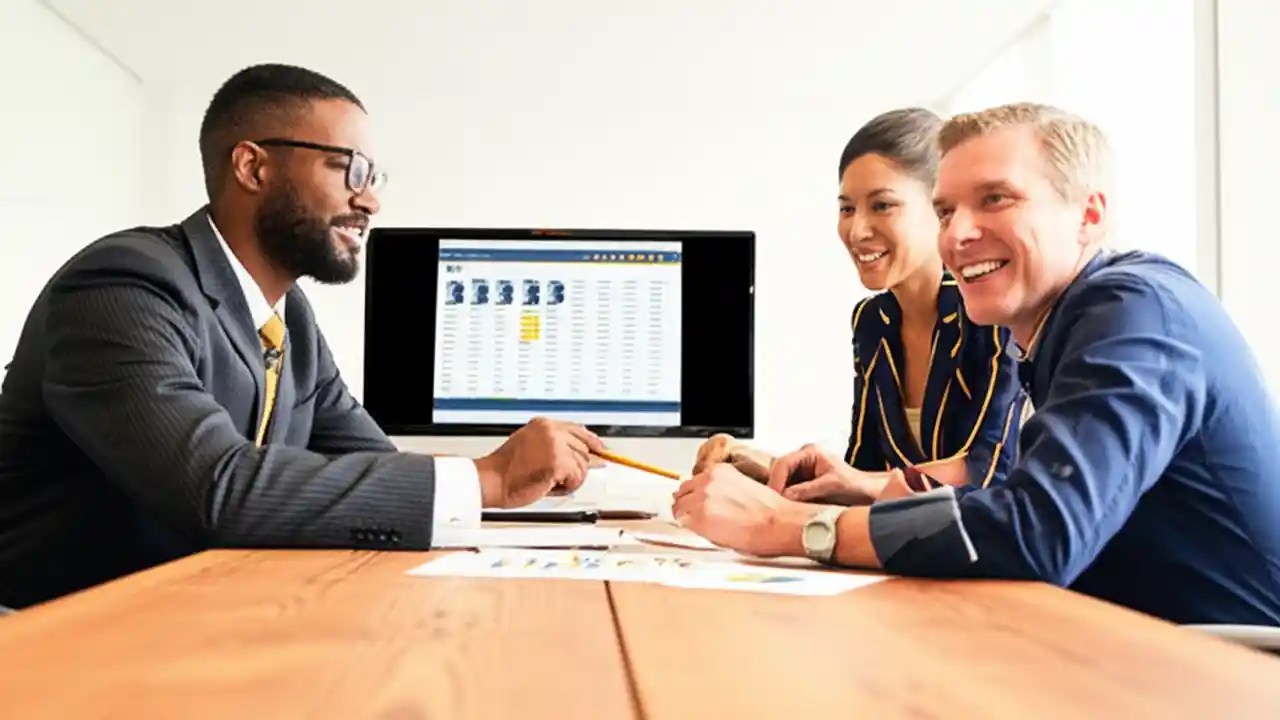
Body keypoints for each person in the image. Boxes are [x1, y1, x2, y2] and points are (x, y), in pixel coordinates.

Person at [0, 63, 602, 609]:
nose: (370, 199)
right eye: (349, 169)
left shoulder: (290, 321)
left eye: (374, 176)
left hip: (196, 615)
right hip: (53, 637)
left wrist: (501, 483)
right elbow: (216, 487)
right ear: (253, 167)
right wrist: (490, 477)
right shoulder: (124, 284)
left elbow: (370, 468)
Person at [673, 102, 1280, 626]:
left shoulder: (1134, 311)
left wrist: (791, 526)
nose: (957, 235)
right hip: (1124, 641)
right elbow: (1015, 498)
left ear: (1089, 215)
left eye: (996, 199)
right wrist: (833, 497)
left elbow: (1037, 528)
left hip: (1228, 669)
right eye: (945, 211)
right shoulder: (1050, 332)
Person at [692, 108, 1024, 502]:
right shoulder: (873, 321)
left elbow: (987, 470)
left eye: (882, 205)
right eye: (847, 208)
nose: (857, 230)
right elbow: (863, 469)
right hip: (908, 539)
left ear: (941, 209)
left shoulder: (989, 312)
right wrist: (764, 469)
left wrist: (852, 483)